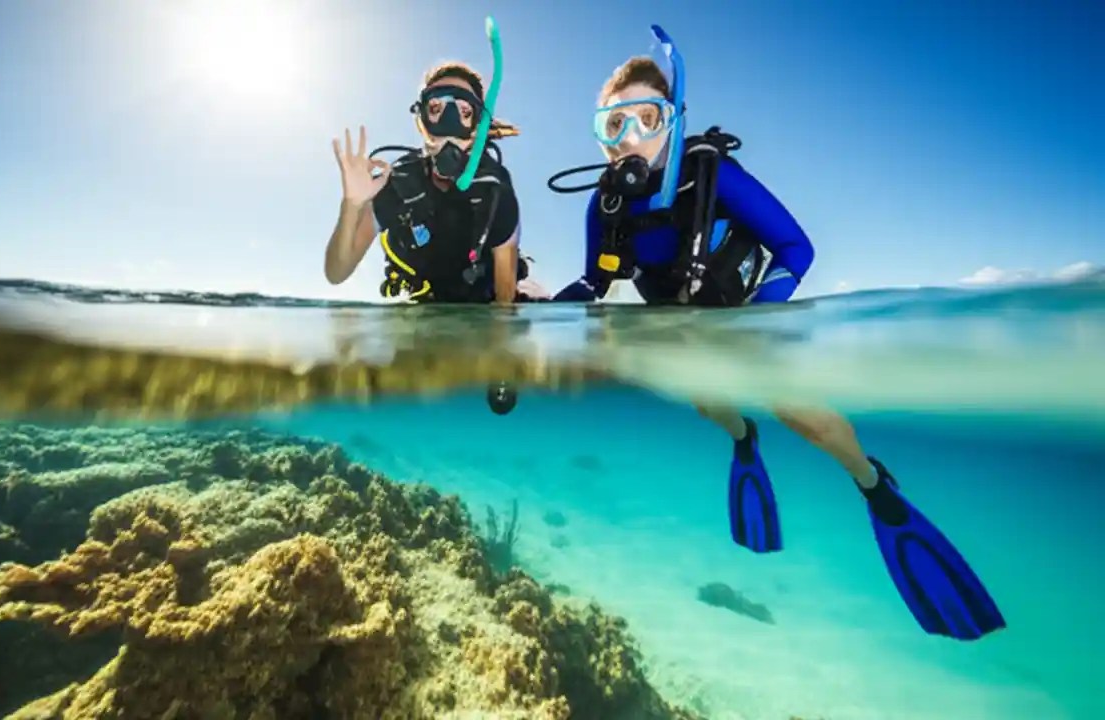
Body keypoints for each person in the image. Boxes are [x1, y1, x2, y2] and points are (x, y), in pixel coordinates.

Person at [546, 37, 1005, 641]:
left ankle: (872, 483)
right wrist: (545, 320)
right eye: (613, 124)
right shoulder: (605, 208)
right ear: (600, 136)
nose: (629, 136)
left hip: (746, 317)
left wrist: (758, 322)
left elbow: (797, 248)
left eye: (647, 119)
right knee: (711, 404)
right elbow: (593, 281)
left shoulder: (714, 176)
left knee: (804, 417)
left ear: (671, 123)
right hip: (678, 330)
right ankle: (743, 436)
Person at [325, 62, 527, 304]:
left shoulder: (495, 191)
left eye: (464, 112)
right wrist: (352, 206)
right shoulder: (397, 185)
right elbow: (336, 273)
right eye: (435, 108)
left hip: (481, 295)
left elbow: (504, 306)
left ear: (477, 128)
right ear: (421, 122)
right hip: (423, 298)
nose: (449, 125)